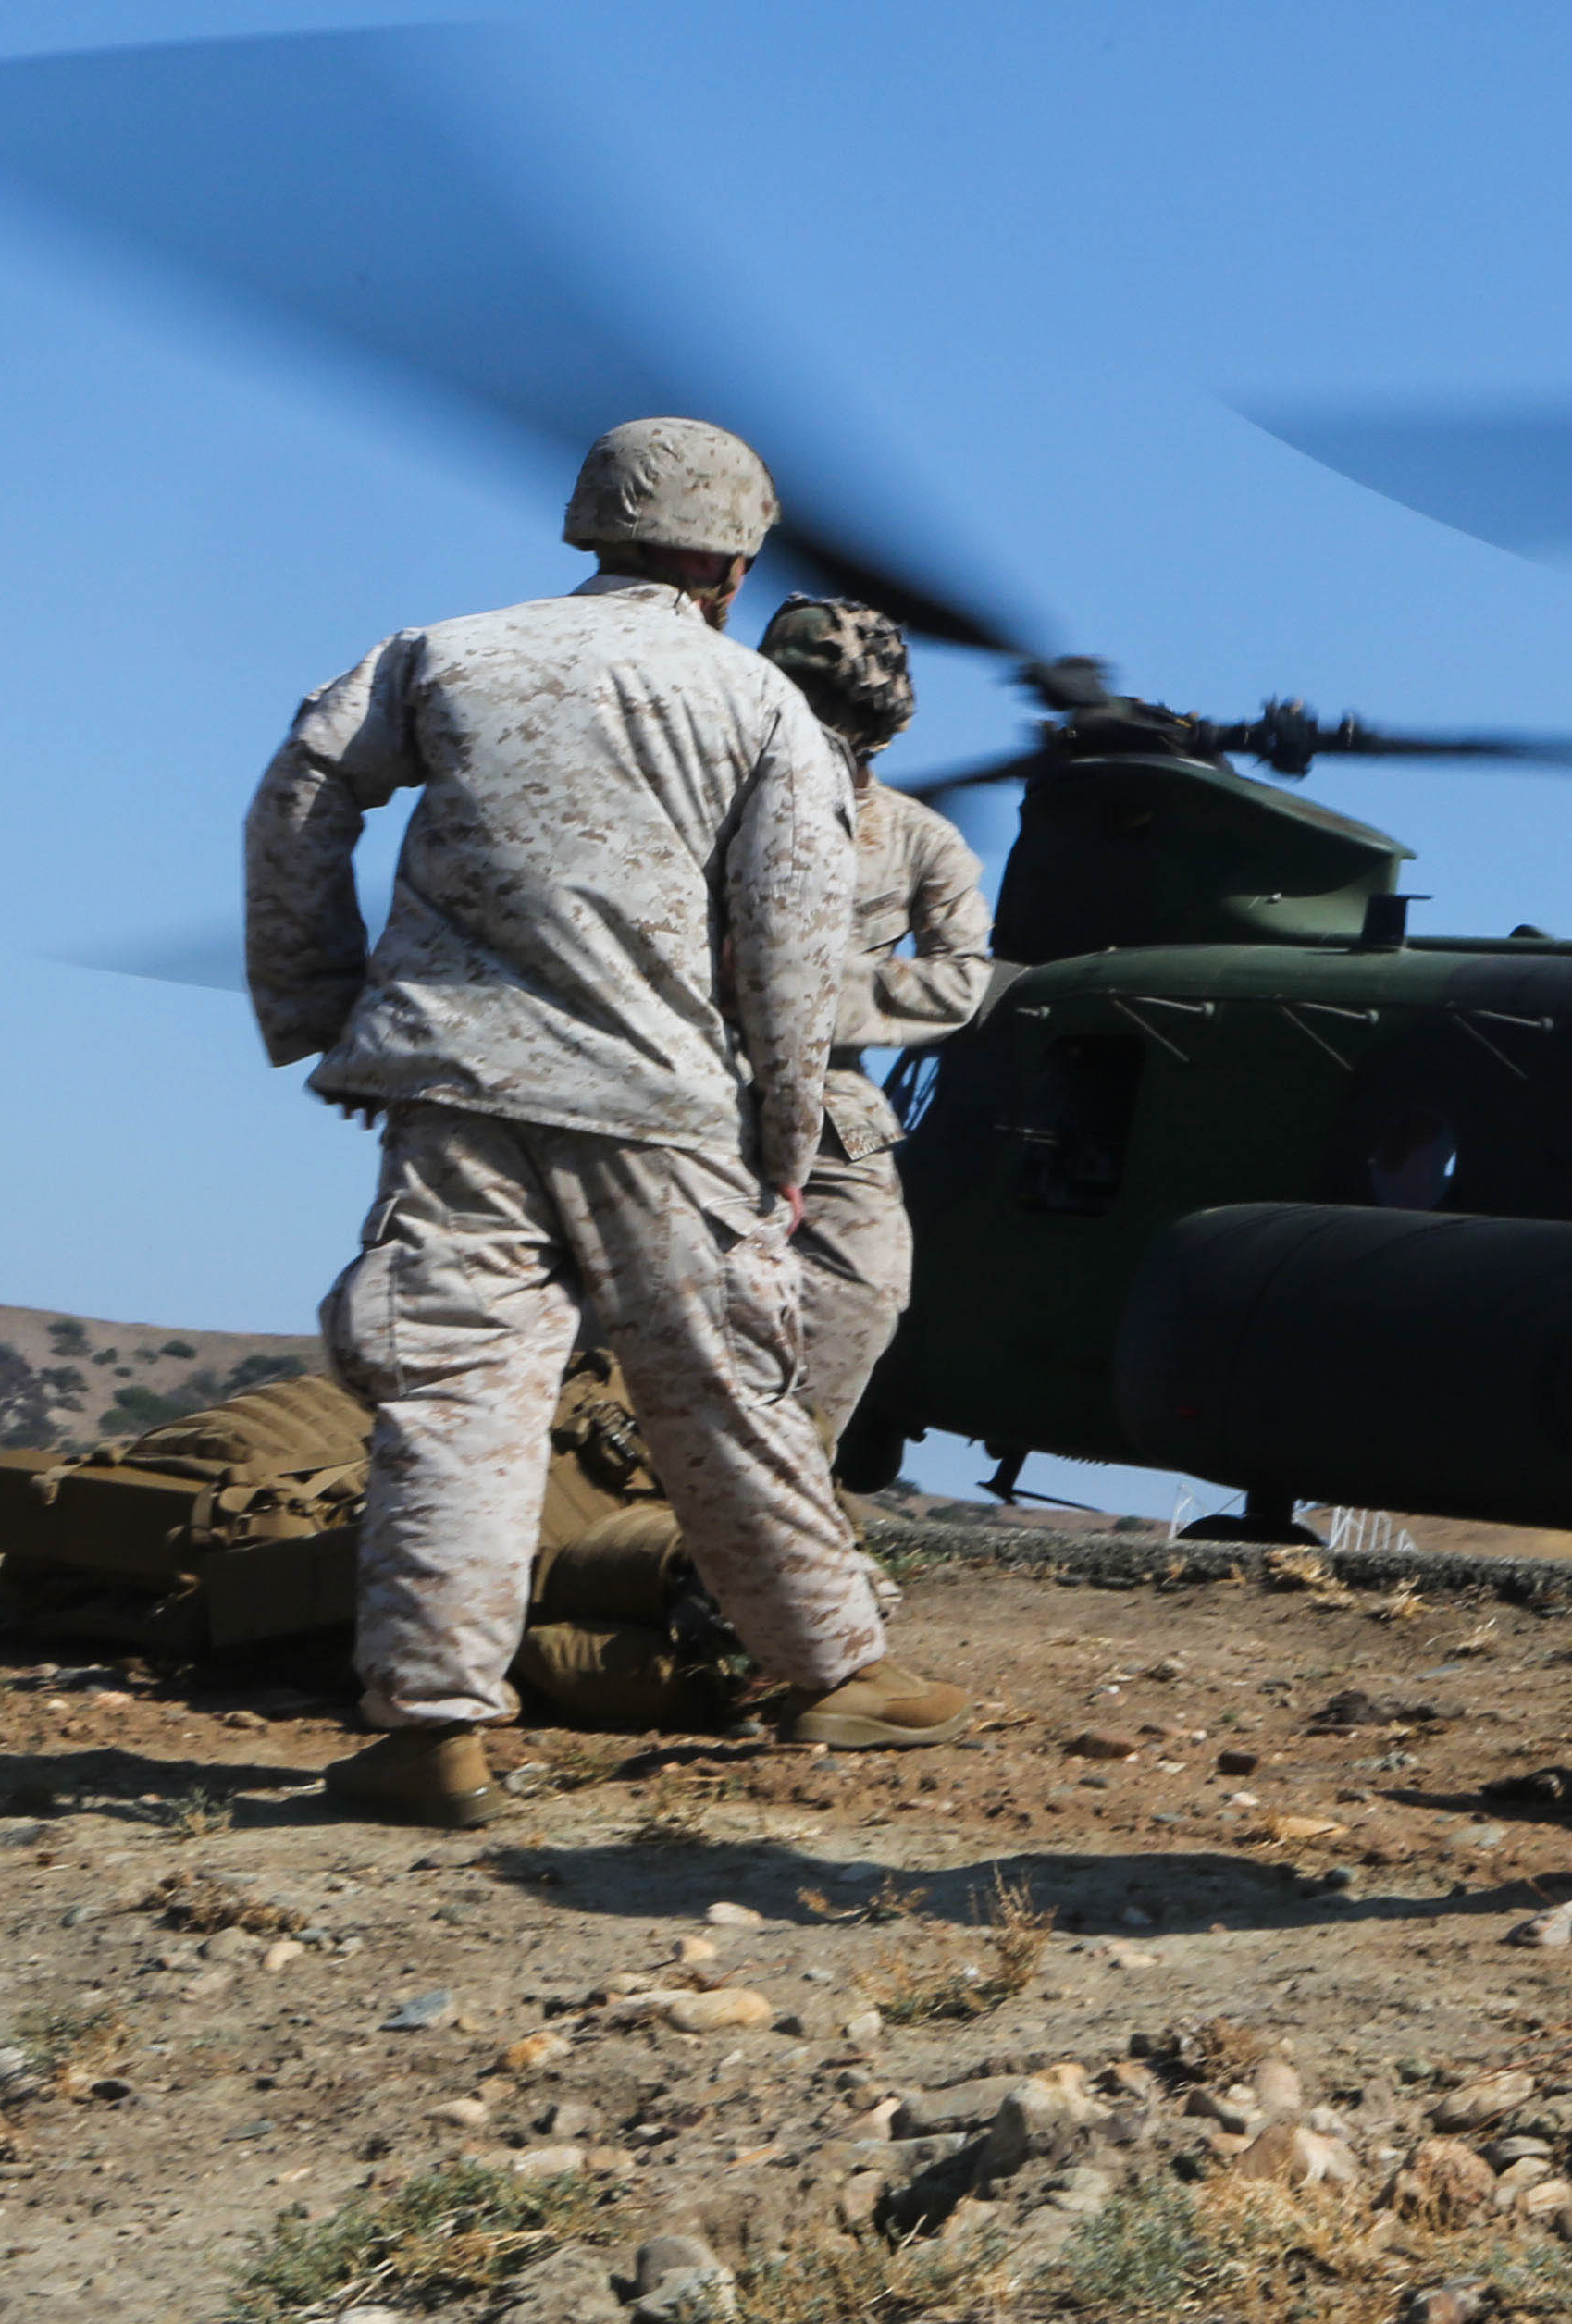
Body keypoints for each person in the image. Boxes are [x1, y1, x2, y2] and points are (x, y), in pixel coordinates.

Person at [244, 419, 973, 1828]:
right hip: (661, 1108)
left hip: (452, 1091)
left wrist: (317, 998)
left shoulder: (439, 652)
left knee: (455, 1405)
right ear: (740, 554)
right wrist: (780, 1143)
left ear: (590, 524)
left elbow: (302, 796)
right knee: (725, 1394)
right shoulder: (760, 709)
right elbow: (792, 943)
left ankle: (431, 1730)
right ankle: (829, 1672)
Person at [751, 597, 1017, 1454]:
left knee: (866, 1279)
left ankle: (788, 1469)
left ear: (877, 723)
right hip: (689, 1063)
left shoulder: (918, 840)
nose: (814, 724)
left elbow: (963, 981)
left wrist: (810, 994)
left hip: (830, 1093)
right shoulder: (706, 802)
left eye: (831, 707)